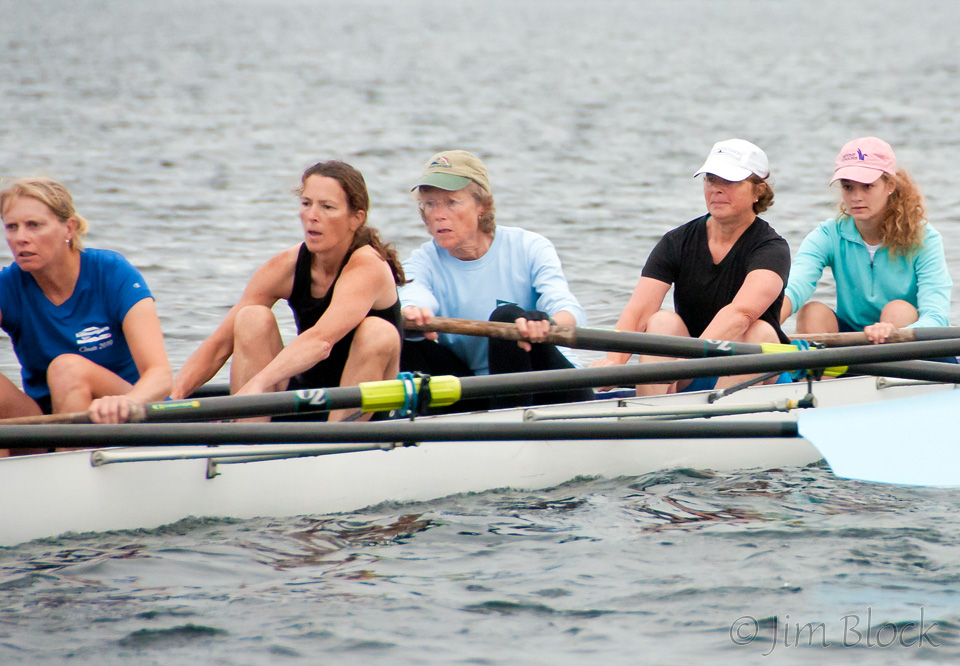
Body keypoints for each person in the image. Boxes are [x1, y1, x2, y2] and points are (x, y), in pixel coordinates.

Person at [170, 160, 404, 422]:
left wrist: (257, 384)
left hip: (367, 408)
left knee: (377, 332)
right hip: (307, 395)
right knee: (250, 318)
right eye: (306, 203)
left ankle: (337, 445)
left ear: (355, 219)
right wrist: (171, 400)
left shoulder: (367, 266)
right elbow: (219, 345)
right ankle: (247, 442)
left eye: (327, 207)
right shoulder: (286, 266)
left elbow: (321, 341)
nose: (312, 215)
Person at [592, 139, 790, 395]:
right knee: (661, 321)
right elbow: (640, 311)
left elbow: (740, 314)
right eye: (710, 179)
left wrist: (687, 364)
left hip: (752, 371)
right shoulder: (676, 241)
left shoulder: (772, 249)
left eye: (728, 181)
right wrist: (614, 364)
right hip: (688, 368)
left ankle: (725, 419)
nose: (716, 189)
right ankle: (649, 418)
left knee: (758, 331)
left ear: (758, 191)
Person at [399, 150, 593, 408]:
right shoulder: (421, 261)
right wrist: (412, 313)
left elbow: (569, 311)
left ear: (482, 205)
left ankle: (511, 428)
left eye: (452, 202)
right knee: (402, 336)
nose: (438, 214)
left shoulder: (529, 246)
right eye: (430, 203)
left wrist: (545, 324)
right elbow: (415, 295)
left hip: (550, 385)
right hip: (476, 391)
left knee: (507, 317)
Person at [0, 177, 171, 444]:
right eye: (12, 227)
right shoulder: (7, 285)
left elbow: (160, 375)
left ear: (69, 228)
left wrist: (126, 402)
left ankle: (71, 472)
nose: (20, 238)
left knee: (67, 369)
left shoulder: (112, 272)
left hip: (130, 417)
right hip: (47, 426)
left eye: (34, 225)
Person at [780, 137, 952, 343]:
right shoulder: (827, 235)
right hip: (853, 340)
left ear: (890, 185)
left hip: (910, 341)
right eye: (848, 187)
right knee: (812, 312)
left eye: (867, 186)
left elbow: (936, 316)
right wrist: (762, 324)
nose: (856, 197)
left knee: (898, 310)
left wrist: (890, 331)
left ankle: (885, 368)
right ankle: (823, 375)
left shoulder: (924, 238)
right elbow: (795, 288)